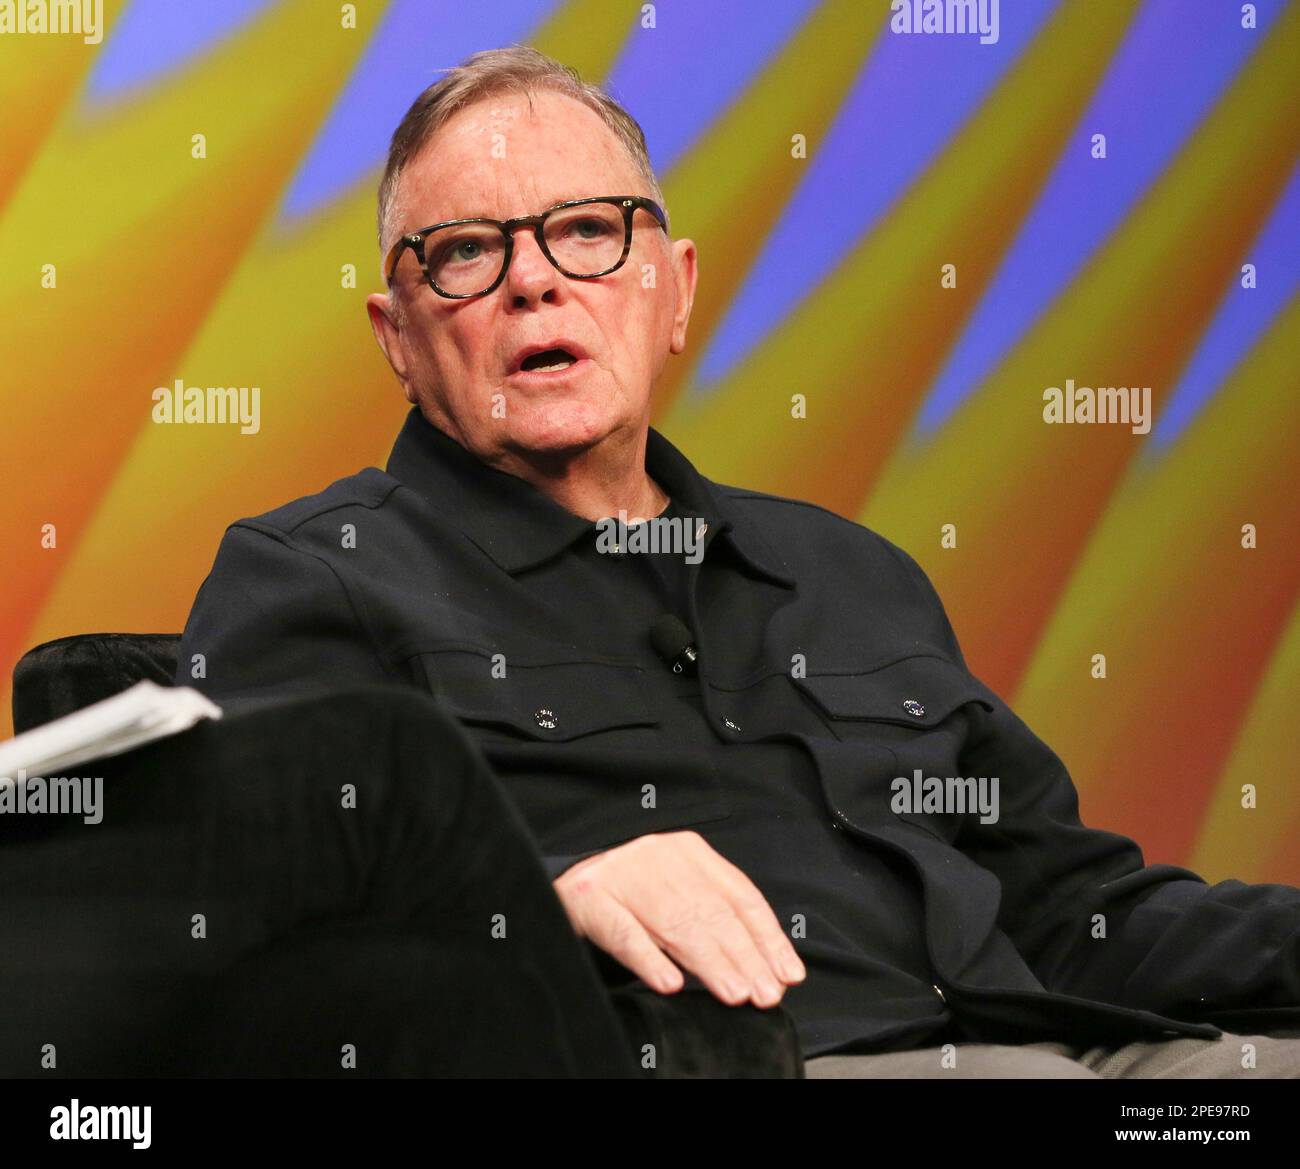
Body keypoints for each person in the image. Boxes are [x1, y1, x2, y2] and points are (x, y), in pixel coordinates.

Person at [176, 46, 1300, 1077]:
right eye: (467, 251)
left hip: (1049, 1049)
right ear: (397, 336)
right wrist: (537, 897)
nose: (533, 280)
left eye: (585, 230)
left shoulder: (847, 573)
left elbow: (1071, 911)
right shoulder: (319, 580)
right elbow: (244, 942)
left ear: (674, 289)